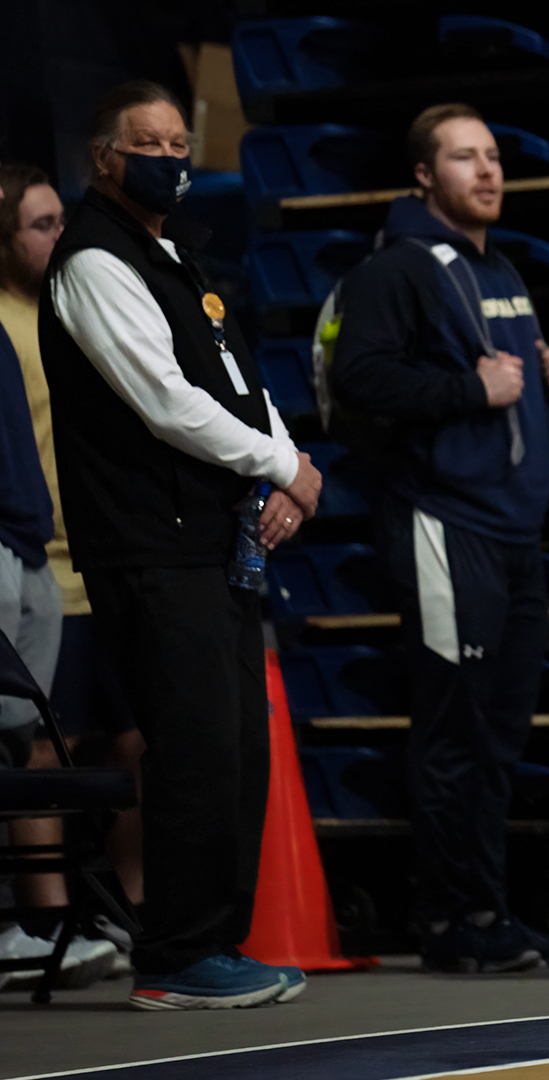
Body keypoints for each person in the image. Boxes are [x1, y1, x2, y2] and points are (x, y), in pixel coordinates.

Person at [40, 81, 319, 1009]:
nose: (169, 156)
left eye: (177, 142)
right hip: (148, 547)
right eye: (146, 142)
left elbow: (236, 384)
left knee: (237, 747)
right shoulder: (93, 262)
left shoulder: (176, 256)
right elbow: (163, 402)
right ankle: (173, 957)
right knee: (194, 746)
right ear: (103, 157)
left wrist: (282, 465)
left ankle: (216, 944)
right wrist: (279, 464)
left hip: (212, 541)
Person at [328, 103, 549, 974]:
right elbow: (358, 377)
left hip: (515, 533)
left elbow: (504, 383)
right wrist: (465, 390)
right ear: (422, 177)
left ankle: (491, 911)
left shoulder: (499, 265)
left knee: (500, 735)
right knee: (454, 729)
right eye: (464, 158)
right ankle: (448, 921)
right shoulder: (395, 269)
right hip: (446, 525)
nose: (487, 172)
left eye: (493, 155)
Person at [0, 164, 136, 987]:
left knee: (132, 741)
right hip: (39, 564)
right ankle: (44, 915)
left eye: (61, 222)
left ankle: (123, 906)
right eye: (39, 225)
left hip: (103, 563)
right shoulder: (7, 325)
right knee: (43, 748)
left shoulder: (78, 312)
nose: (56, 238)